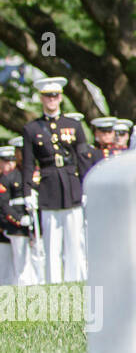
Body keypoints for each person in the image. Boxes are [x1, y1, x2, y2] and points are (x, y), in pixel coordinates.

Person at [21, 76, 88, 284]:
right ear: (42, 99)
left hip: (71, 185)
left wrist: (86, 187)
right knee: (51, 245)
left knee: (74, 243)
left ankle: (74, 282)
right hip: (49, 187)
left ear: (60, 98)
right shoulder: (32, 129)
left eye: (55, 96)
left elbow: (82, 158)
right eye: (47, 96)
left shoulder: (73, 125)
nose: (51, 100)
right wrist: (27, 192)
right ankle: (54, 284)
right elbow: (29, 163)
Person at [0, 145, 37, 286]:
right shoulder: (6, 179)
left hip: (27, 223)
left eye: (11, 161)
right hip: (13, 224)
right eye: (6, 161)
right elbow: (4, 205)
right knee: (14, 262)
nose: (9, 165)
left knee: (32, 257)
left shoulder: (21, 176)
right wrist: (18, 219)